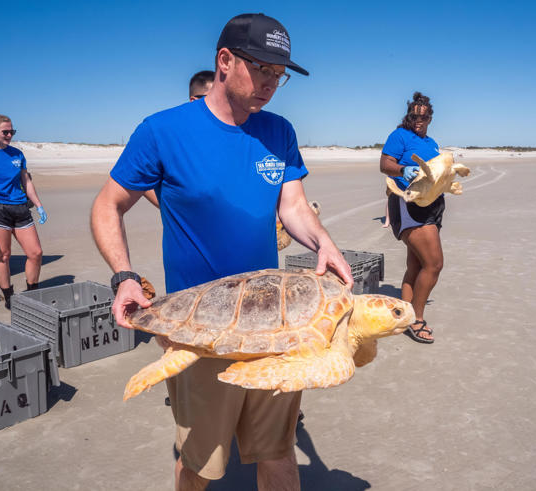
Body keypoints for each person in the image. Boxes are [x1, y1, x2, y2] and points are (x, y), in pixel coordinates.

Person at [90, 13, 352, 490]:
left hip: (275, 326)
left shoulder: (279, 132)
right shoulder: (163, 131)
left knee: (278, 454)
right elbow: (108, 205)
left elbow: (291, 205)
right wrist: (124, 275)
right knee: (200, 465)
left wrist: (323, 241)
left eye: (280, 74)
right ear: (224, 61)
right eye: (262, 69)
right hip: (200, 331)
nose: (271, 83)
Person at [380, 92, 441, 344]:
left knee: (416, 266)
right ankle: (416, 319)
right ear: (409, 115)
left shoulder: (432, 143)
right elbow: (385, 163)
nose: (419, 120)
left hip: (432, 205)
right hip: (407, 203)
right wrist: (404, 169)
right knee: (434, 264)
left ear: (430, 118)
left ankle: (404, 315)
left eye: (423, 116)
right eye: (414, 116)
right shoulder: (399, 136)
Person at [0, 115, 47, 308]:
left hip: (20, 207)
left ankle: (32, 293)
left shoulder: (17, 154)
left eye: (12, 131)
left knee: (36, 253)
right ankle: (9, 296)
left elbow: (26, 181)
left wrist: (38, 205)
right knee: (3, 255)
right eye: (5, 132)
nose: (9, 135)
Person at [143, 70, 218, 209]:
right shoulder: (171, 136)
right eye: (214, 98)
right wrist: (170, 209)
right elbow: (138, 180)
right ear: (193, 101)